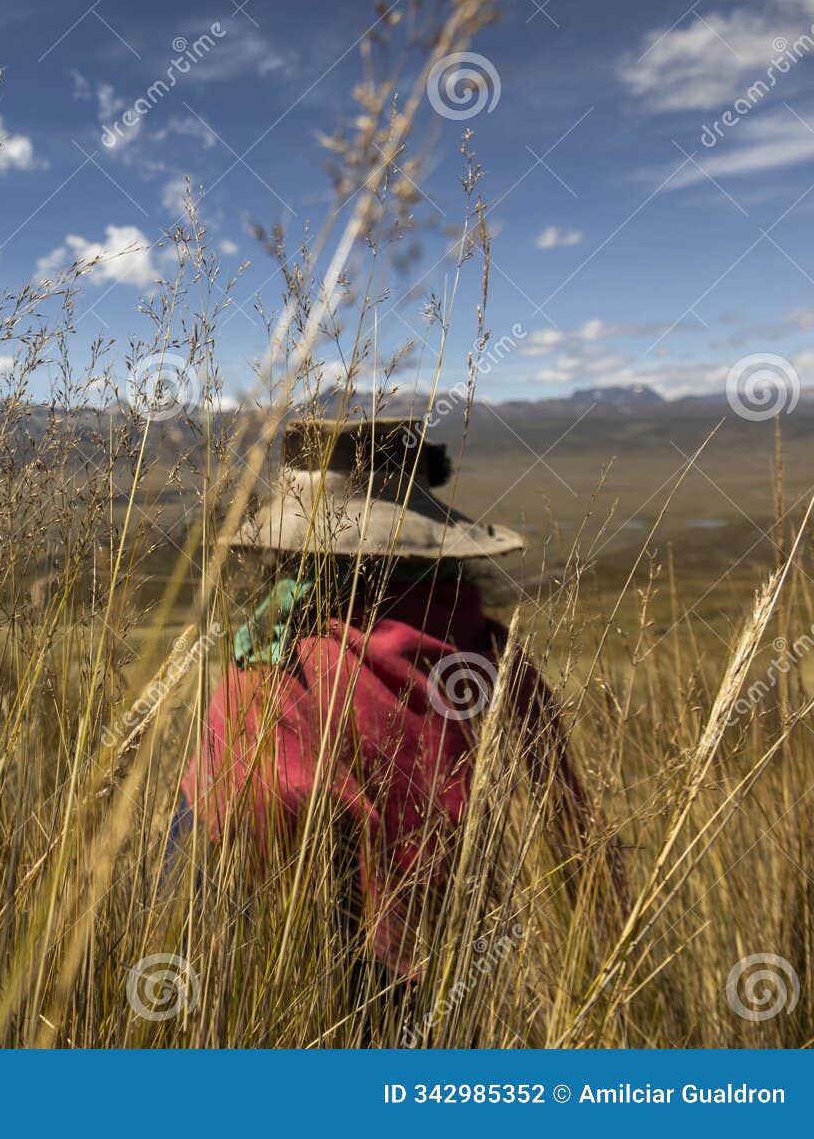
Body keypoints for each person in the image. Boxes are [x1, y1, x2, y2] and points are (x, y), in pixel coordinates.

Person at [172, 417, 593, 982]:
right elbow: (569, 848)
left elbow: (189, 874)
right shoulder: (490, 659)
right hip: (447, 987)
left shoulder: (267, 663)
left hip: (258, 989)